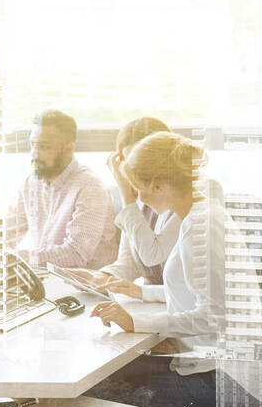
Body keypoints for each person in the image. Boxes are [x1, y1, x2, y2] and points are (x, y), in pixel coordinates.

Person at [84, 132, 232, 407]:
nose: (138, 197)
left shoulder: (201, 228)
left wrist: (136, 321)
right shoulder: (196, 217)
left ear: (160, 185)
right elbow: (199, 292)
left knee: (94, 389)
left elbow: (213, 315)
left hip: (215, 383)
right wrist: (141, 292)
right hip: (203, 366)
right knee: (105, 370)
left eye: (138, 188)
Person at [57, 116, 178, 290]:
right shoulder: (139, 201)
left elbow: (153, 256)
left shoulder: (182, 200)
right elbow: (129, 264)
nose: (134, 171)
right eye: (128, 163)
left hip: (171, 304)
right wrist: (99, 277)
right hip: (151, 304)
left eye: (142, 162)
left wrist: (126, 197)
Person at [5, 109, 118, 269]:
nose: (34, 154)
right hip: (51, 283)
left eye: (44, 147)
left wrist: (18, 258)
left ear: (68, 149)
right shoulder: (31, 183)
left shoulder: (90, 188)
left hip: (84, 288)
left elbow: (75, 254)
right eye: (32, 145)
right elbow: (8, 232)